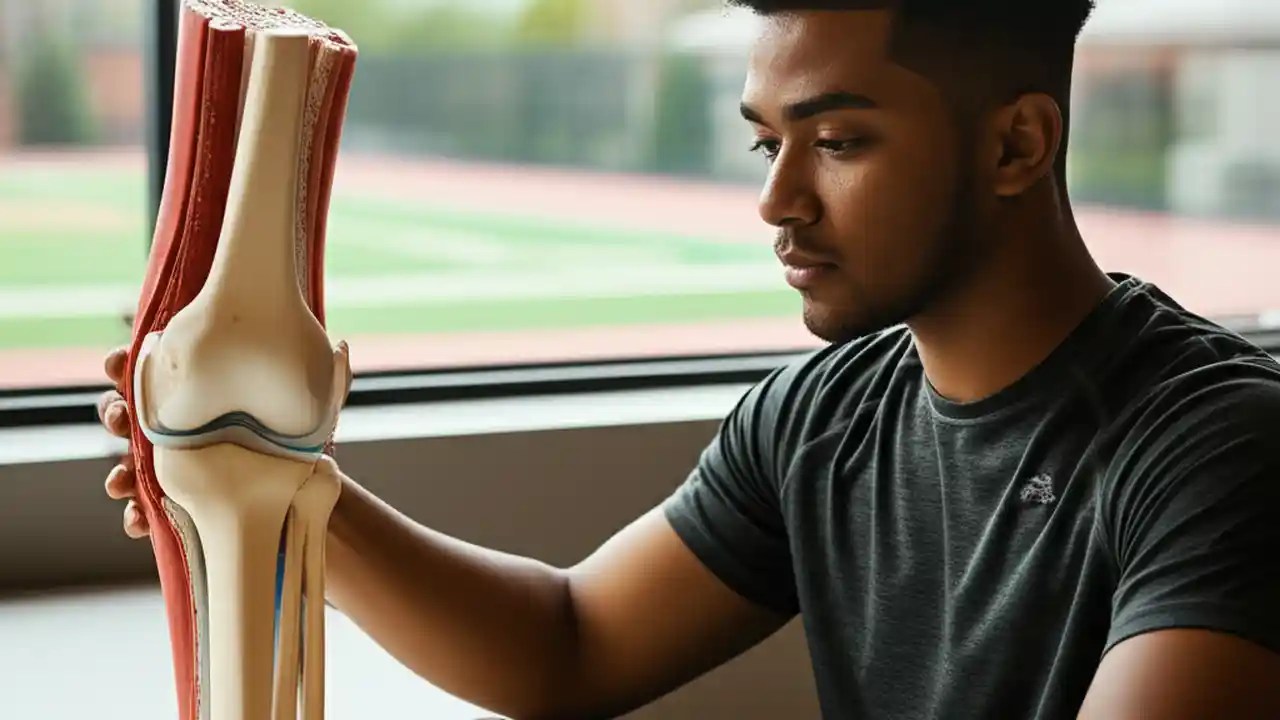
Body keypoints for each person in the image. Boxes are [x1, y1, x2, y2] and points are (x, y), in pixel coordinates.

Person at [96, 1, 1280, 718]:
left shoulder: (1220, 450)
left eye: (838, 140)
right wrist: (286, 484)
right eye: (767, 142)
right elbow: (566, 645)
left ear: (1018, 143)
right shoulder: (820, 419)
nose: (775, 200)